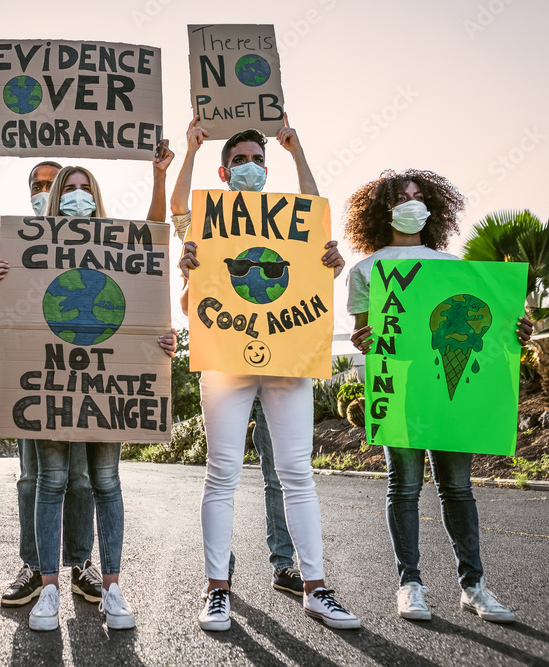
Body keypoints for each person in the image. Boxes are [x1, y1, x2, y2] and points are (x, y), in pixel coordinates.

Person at [0, 135, 175, 608]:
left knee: (89, 481)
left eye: (84, 188)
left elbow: (151, 237)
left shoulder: (114, 239)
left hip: (98, 379)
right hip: (46, 377)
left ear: (96, 197)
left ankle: (82, 565)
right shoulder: (25, 242)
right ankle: (39, 573)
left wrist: (159, 176)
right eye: (64, 189)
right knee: (39, 481)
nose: (75, 196)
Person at [174, 115, 360, 631]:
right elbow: (186, 274)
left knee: (297, 472)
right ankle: (216, 590)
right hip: (226, 355)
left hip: (287, 350)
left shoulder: (294, 218)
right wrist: (189, 270)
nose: (251, 167)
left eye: (260, 160)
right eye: (240, 161)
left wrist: (296, 151)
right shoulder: (207, 220)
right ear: (223, 169)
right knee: (222, 472)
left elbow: (317, 218)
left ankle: (316, 587)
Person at [345, 169, 531, 624]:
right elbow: (362, 335)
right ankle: (410, 584)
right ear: (381, 211)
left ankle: (474, 587)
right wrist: (363, 340)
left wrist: (518, 331)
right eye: (402, 197)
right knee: (403, 488)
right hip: (402, 389)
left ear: (433, 209)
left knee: (457, 489)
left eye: (419, 196)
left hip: (453, 397)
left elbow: (490, 329)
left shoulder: (453, 266)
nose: (413, 204)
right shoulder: (366, 270)